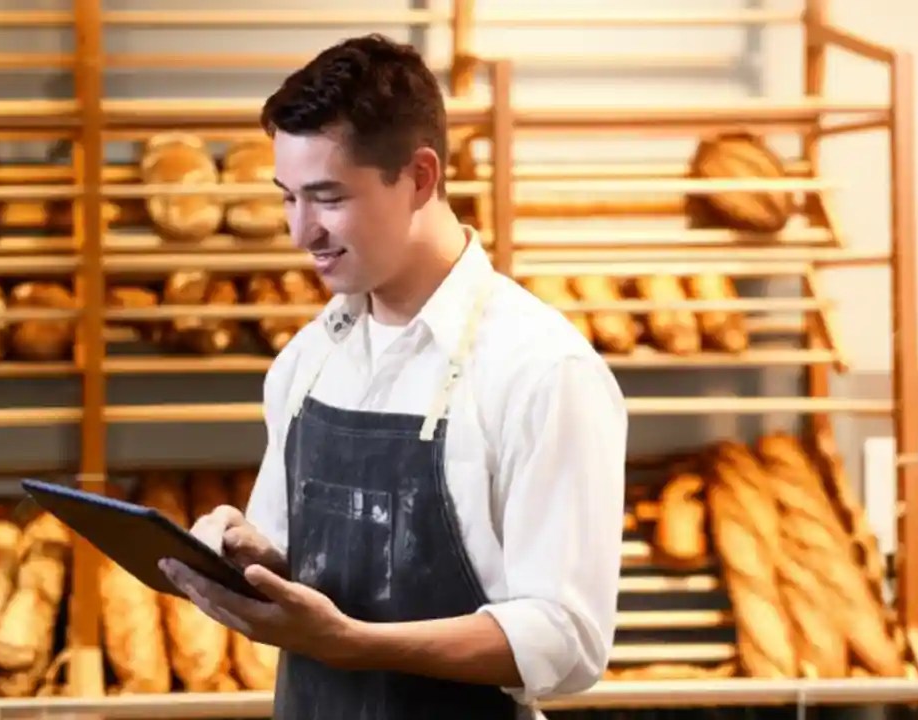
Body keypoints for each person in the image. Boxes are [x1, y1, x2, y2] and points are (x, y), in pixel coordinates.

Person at [158, 33, 627, 720]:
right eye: (288, 197)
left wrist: (360, 644)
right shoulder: (308, 361)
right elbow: (312, 575)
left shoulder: (540, 370)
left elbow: (567, 639)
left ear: (421, 178)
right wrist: (254, 556)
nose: (300, 232)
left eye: (327, 197)